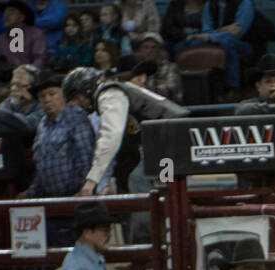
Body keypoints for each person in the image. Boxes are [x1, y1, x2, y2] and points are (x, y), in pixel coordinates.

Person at [63, 64, 186, 198]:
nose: (77, 104)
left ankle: (157, 218)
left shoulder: (110, 94)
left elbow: (111, 136)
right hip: (166, 143)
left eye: (76, 98)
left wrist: (92, 181)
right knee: (131, 176)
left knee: (144, 181)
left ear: (86, 89)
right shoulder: (115, 89)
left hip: (171, 144)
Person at [19, 70, 94, 244]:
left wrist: (83, 190)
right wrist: (30, 192)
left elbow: (86, 158)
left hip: (75, 200)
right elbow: (42, 165)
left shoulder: (76, 118)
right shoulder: (43, 124)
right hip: (50, 202)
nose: (46, 99)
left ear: (64, 96)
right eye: (42, 96)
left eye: (52, 94)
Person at [183, 0, 256, 96]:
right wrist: (222, 31)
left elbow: (238, 32)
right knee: (195, 43)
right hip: (218, 39)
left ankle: (233, 86)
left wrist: (212, 36)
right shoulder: (210, 4)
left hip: (243, 43)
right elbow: (207, 30)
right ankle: (197, 86)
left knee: (227, 42)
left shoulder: (244, 3)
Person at [0, 0, 49, 70]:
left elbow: (40, 58)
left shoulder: (35, 33)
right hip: (7, 78)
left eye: (11, 12)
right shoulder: (0, 40)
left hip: (31, 76)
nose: (6, 15)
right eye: (5, 12)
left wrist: (28, 73)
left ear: (22, 17)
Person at [134, 32, 181, 102]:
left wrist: (143, 89)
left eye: (153, 47)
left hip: (167, 108)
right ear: (141, 50)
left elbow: (172, 90)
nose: (149, 51)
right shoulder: (136, 68)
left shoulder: (170, 67)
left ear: (160, 50)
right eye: (146, 47)